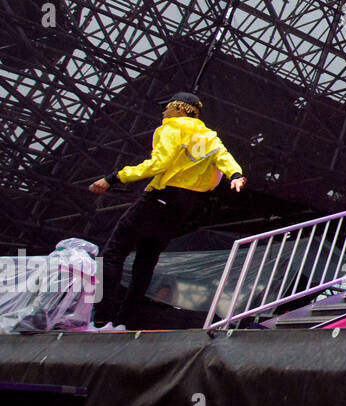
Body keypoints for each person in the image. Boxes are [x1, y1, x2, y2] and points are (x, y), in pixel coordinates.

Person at [90, 92, 245, 325]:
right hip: (183, 206)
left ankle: (100, 321)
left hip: (160, 198)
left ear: (180, 108)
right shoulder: (208, 136)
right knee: (146, 261)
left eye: (167, 107)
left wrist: (114, 178)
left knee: (113, 253)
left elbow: (159, 163)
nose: (164, 112)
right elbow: (223, 157)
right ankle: (123, 322)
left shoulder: (172, 127)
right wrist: (236, 174)